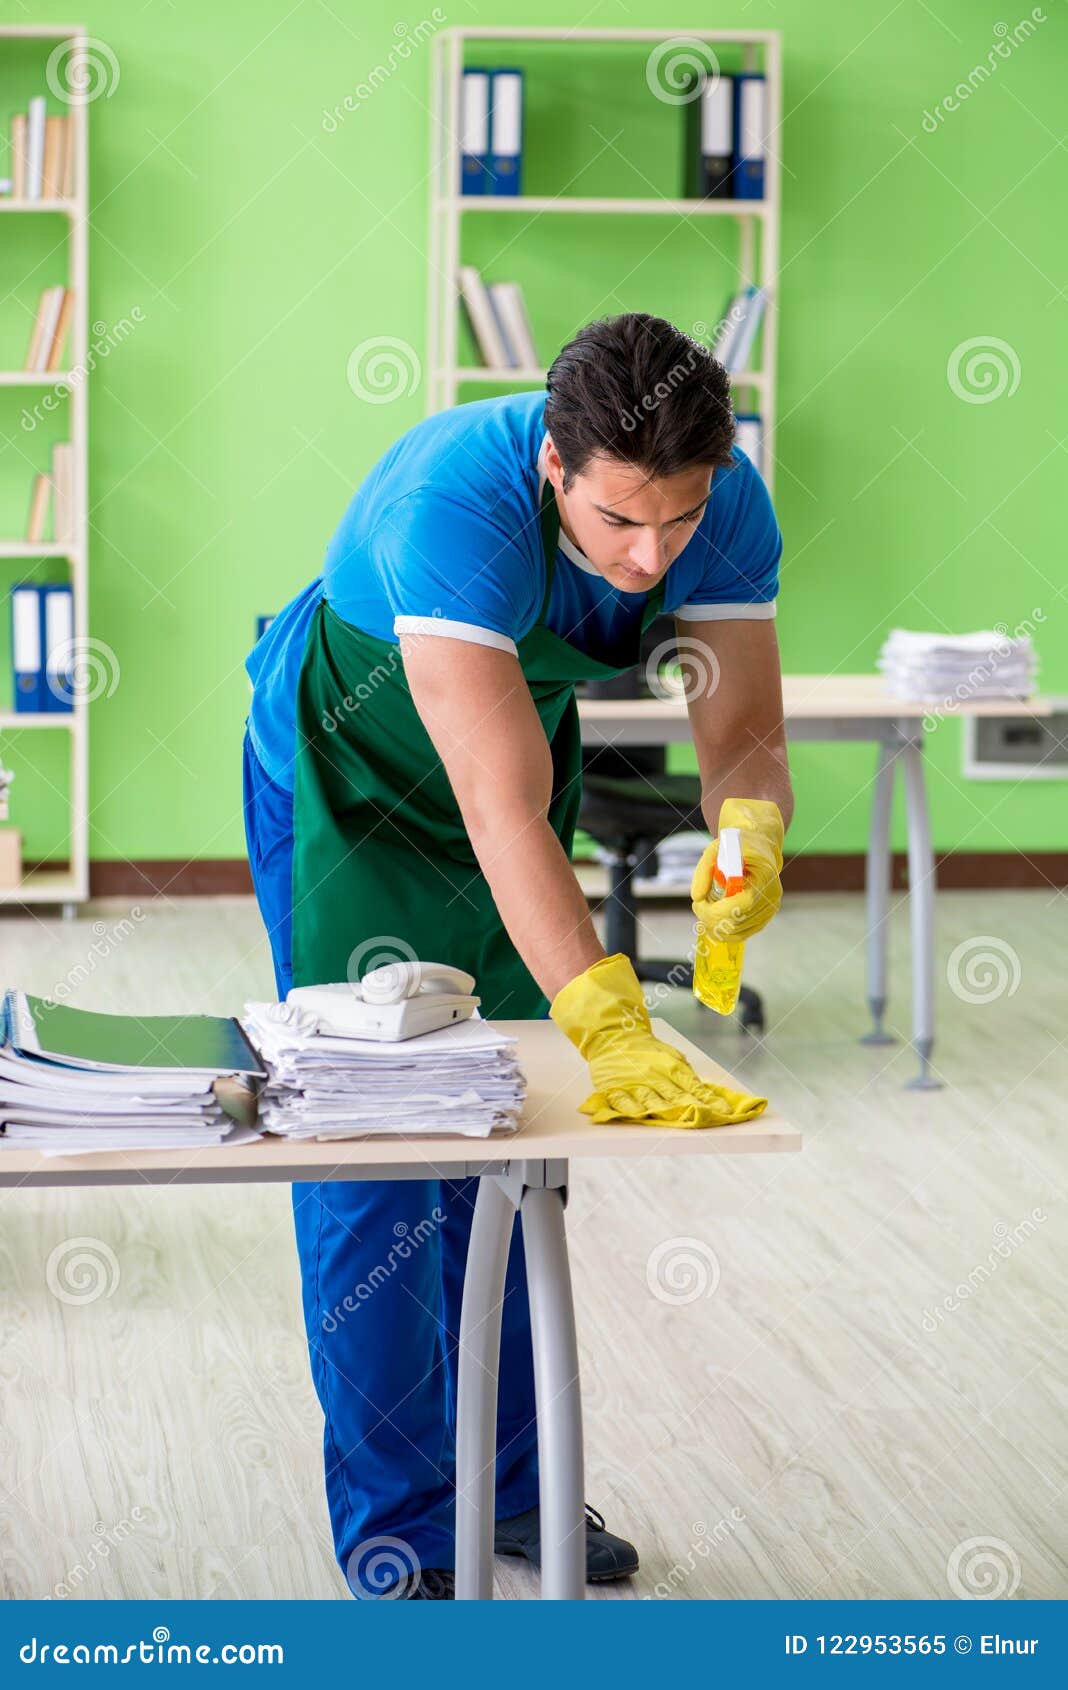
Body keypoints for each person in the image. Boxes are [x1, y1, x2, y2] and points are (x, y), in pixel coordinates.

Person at [242, 312, 793, 1599]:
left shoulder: (722, 496)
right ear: (554, 467)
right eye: (617, 524)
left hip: (514, 770)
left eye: (679, 521)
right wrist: (611, 1020)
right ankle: (402, 1524)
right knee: (379, 1140)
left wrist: (748, 830)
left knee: (506, 1133)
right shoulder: (455, 504)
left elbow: (746, 727)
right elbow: (491, 808)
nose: (652, 557)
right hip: (353, 775)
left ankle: (518, 1490)